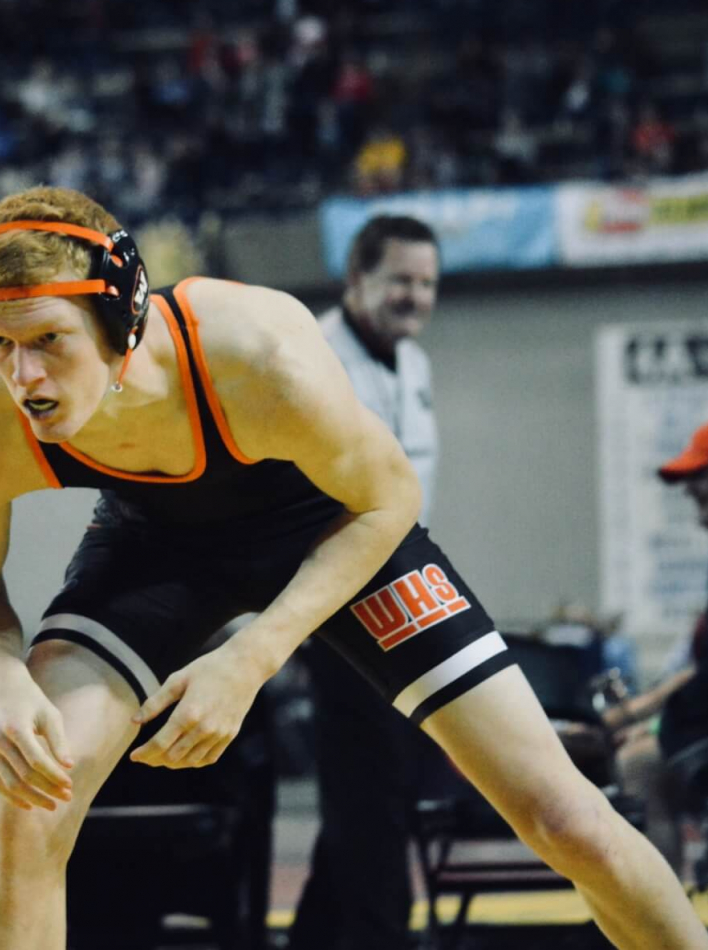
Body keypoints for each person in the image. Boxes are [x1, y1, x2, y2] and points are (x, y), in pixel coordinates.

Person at [0, 185, 708, 950]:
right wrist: (2, 681)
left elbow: (390, 498)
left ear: (119, 316)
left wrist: (251, 658)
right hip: (155, 544)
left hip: (331, 530)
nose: (24, 377)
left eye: (48, 340)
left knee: (565, 819)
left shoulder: (256, 355)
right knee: (27, 807)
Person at [291, 214, 440, 950]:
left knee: (378, 789)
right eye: (400, 280)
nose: (416, 296)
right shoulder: (314, 359)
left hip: (404, 599)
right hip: (341, 607)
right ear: (356, 279)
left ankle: (317, 937)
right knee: (373, 792)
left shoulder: (414, 363)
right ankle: (380, 936)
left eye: (427, 283)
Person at [611, 417, 708, 872]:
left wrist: (665, 726)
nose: (690, 489)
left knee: (639, 765)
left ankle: (663, 916)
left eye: (702, 474)